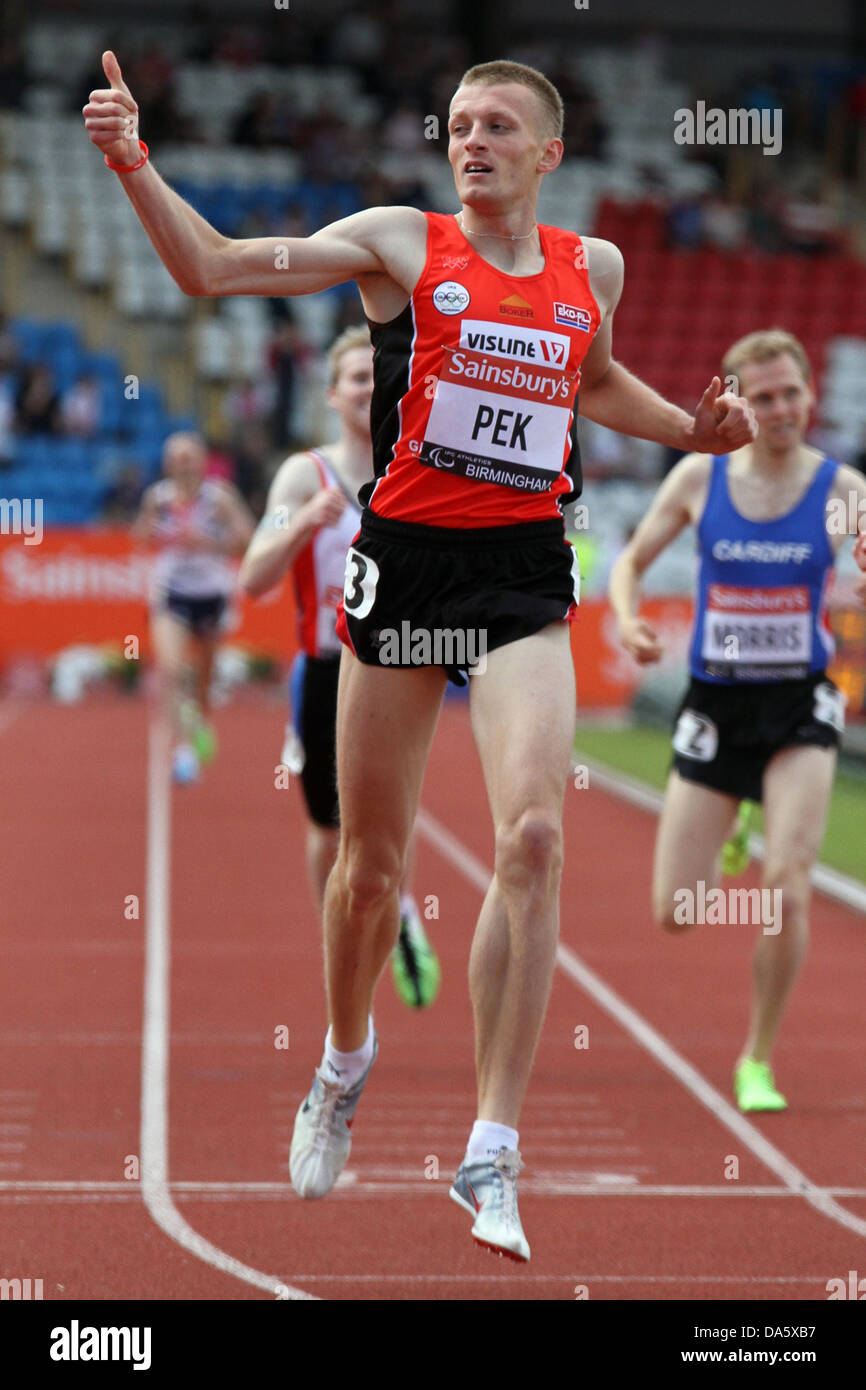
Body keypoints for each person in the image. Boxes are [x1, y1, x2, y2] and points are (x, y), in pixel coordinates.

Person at [85, 52, 755, 1260]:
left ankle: (491, 1149)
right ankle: (344, 1059)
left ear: (548, 153)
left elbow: (592, 380)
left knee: (535, 835)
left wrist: (684, 432)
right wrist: (135, 159)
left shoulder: (586, 267)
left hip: (518, 579)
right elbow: (211, 268)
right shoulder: (399, 242)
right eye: (457, 125)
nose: (471, 141)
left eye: (497, 126)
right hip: (400, 569)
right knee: (368, 871)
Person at [608, 329, 866, 1112]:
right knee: (677, 911)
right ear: (738, 403)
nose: (779, 409)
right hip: (716, 707)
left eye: (790, 393)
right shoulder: (699, 477)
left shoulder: (842, 489)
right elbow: (628, 563)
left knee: (787, 888)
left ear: (811, 396)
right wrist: (626, 618)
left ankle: (757, 1058)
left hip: (801, 704)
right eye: (762, 397)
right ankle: (737, 823)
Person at [238, 324, 441, 1009]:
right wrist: (302, 523)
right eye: (356, 376)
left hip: (396, 666)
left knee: (393, 820)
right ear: (331, 393)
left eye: (378, 374)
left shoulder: (415, 465)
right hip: (324, 673)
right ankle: (345, 936)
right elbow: (253, 576)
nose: (369, 387)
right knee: (330, 831)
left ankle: (401, 912)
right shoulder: (306, 473)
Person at [133, 430, 255, 783]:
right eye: (177, 458)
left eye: (190, 458)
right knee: (170, 671)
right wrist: (151, 528)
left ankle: (199, 722)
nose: (183, 465)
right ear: (167, 464)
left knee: (203, 678)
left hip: (212, 595)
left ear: (203, 462)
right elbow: (138, 538)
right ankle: (183, 749)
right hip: (171, 593)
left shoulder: (220, 499)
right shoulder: (157, 498)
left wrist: (211, 542)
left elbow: (248, 540)